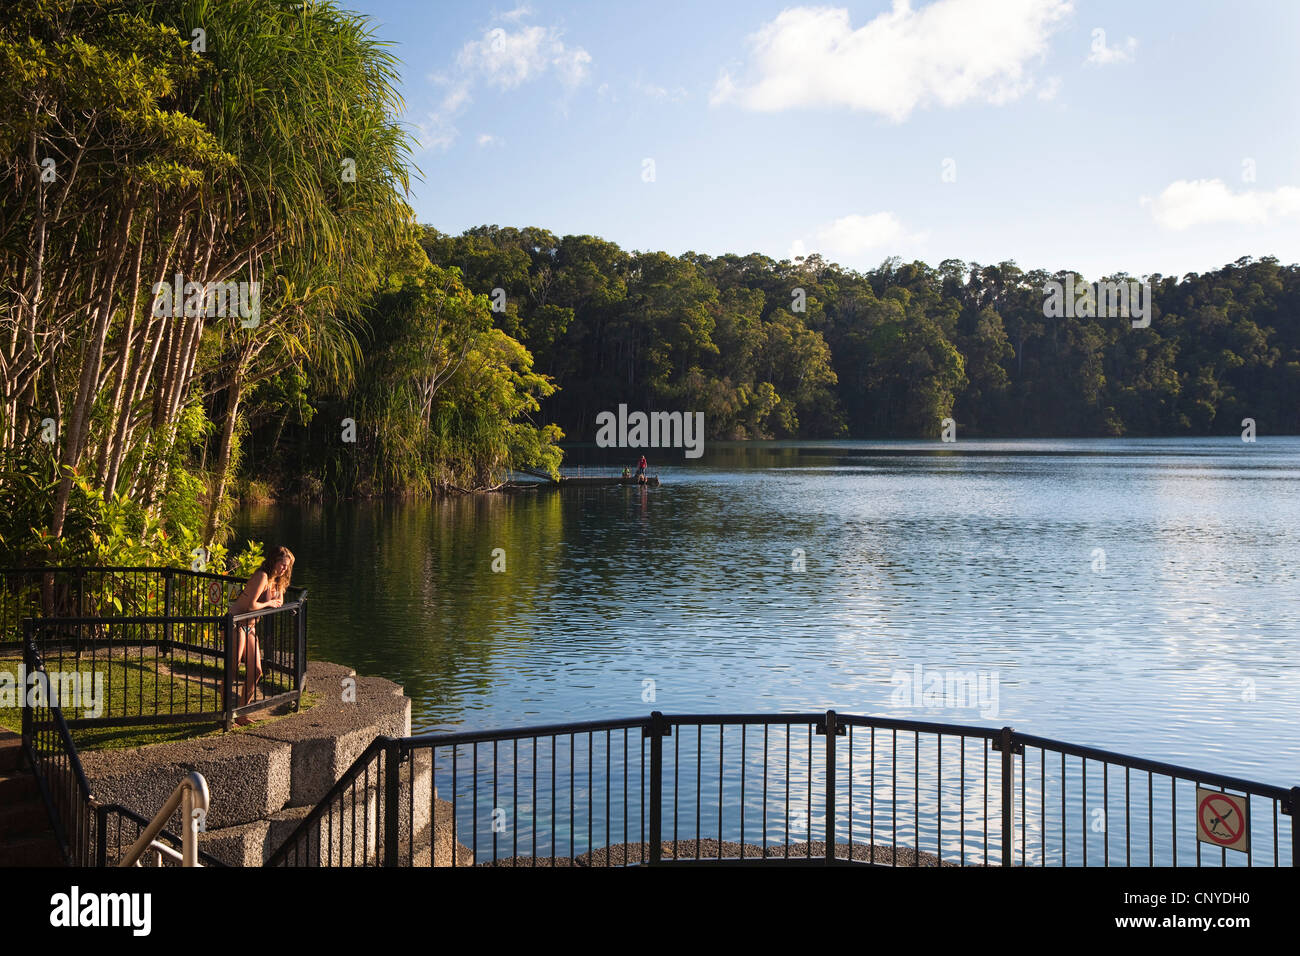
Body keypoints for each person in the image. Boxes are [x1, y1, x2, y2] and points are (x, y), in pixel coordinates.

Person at [228, 546, 294, 723]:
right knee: (232, 670)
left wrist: (277, 596)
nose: (285, 569)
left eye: (287, 566)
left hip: (250, 627)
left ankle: (241, 713)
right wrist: (269, 603)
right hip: (235, 623)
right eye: (282, 565)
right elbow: (250, 606)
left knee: (256, 671)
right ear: (274, 561)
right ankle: (224, 715)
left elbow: (278, 601)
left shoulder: (275, 581)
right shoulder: (262, 576)